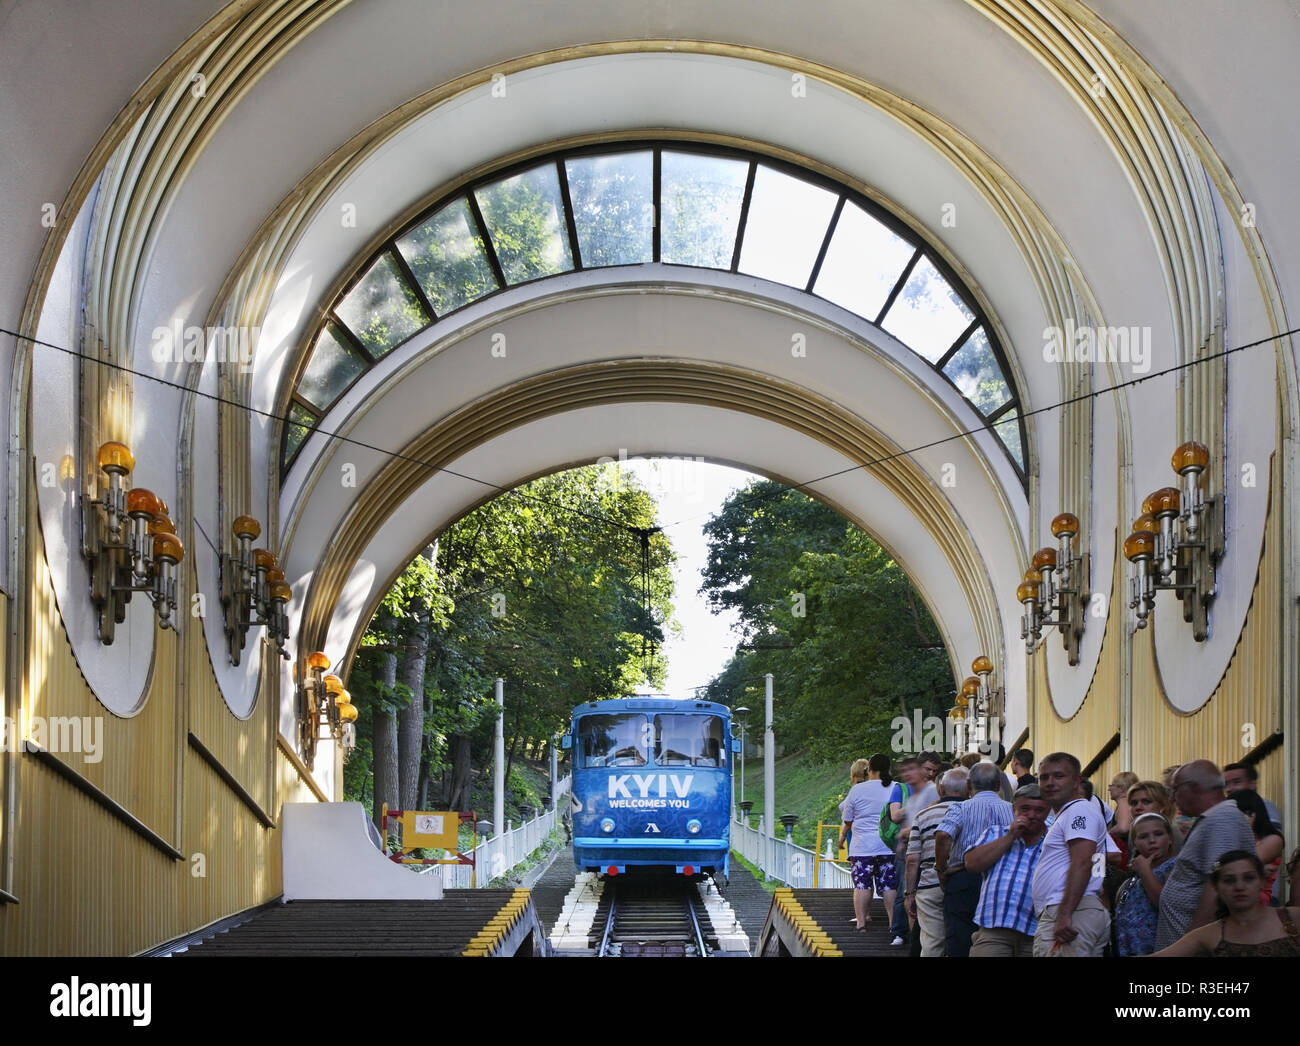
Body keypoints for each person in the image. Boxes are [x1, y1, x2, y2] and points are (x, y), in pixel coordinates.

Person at [1154, 759, 1256, 949]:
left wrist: (1191, 946)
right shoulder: (1214, 819)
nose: (1172, 799)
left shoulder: (1222, 820)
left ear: (1192, 788)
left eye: (1174, 790)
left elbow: (1218, 888)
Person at [1029, 751, 1110, 956]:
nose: (1049, 782)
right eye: (1044, 777)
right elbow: (1098, 861)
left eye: (1058, 776)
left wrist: (1065, 914)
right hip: (1080, 909)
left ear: (1076, 781)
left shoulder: (1079, 811)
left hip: (1072, 912)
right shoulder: (1074, 812)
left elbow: (1083, 862)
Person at [1151, 851, 1300, 957]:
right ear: (1216, 888)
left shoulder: (1292, 917)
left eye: (1248, 878)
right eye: (1229, 880)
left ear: (1262, 882)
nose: (1239, 886)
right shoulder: (1209, 934)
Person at [963, 783, 1051, 957]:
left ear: (1048, 812)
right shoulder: (995, 833)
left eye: (1039, 810)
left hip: (1037, 932)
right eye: (1025, 809)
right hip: (993, 930)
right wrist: (1011, 836)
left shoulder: (1054, 841)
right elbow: (972, 864)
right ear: (1013, 809)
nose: (1032, 815)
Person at [934, 761, 1012, 957]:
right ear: (998, 786)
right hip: (1002, 880)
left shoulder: (960, 808)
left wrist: (941, 870)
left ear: (969, 785)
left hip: (964, 879)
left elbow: (943, 835)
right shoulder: (1013, 810)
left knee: (960, 939)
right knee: (997, 940)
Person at [904, 767, 966, 956]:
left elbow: (912, 859)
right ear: (968, 788)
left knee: (932, 942)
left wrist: (909, 893)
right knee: (963, 939)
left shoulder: (923, 815)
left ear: (941, 790)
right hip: (965, 883)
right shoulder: (971, 811)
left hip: (929, 886)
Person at [838, 754, 897, 932]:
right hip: (888, 846)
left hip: (862, 847)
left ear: (869, 769)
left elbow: (848, 819)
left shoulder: (858, 790)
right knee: (889, 885)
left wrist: (842, 837)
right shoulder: (896, 788)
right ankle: (893, 923)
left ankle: (861, 923)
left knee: (862, 885)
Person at [1112, 812, 1178, 956]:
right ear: (1134, 843)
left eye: (1158, 834)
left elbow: (1165, 904)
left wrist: (1145, 872)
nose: (1152, 840)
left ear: (1170, 838)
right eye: (1143, 837)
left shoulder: (1175, 868)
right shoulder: (1131, 880)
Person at [1230, 789, 1284, 904]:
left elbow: (1242, 865)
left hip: (1262, 903)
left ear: (1252, 814)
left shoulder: (1273, 839)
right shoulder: (1235, 837)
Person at [1223, 761, 1283, 832]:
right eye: (1226, 784)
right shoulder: (1223, 810)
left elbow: (1273, 839)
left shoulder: (1265, 807)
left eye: (1237, 782)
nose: (1229, 789)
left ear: (1252, 784)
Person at [1109, 771, 1139, 836]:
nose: (1109, 789)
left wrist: (1106, 835)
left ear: (1121, 788)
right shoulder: (1129, 802)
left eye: (1112, 785)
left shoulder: (1124, 803)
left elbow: (1123, 828)